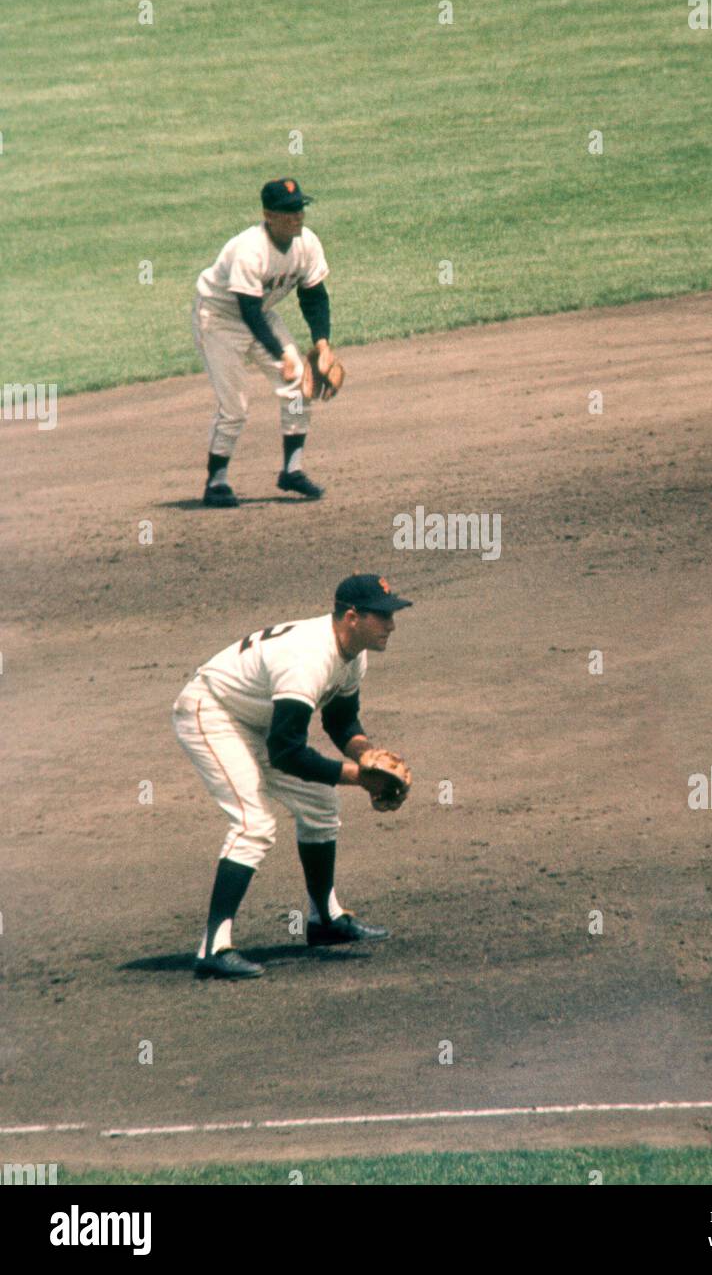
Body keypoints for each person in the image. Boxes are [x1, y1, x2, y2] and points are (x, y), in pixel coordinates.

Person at [172, 574, 413, 979]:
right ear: (352, 617)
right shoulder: (308, 658)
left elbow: (341, 719)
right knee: (254, 823)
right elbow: (286, 753)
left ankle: (325, 920)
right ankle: (212, 948)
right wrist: (359, 777)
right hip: (210, 712)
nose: (391, 625)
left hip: (256, 722)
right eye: (383, 616)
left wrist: (365, 754)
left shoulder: (353, 652)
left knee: (320, 803)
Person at [192, 178, 338, 507]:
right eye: (288, 211)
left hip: (261, 313)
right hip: (218, 320)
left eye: (300, 209)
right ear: (268, 215)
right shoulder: (248, 250)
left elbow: (314, 297)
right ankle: (215, 483)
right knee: (235, 407)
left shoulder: (308, 243)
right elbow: (248, 312)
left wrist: (322, 343)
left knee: (300, 384)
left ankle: (292, 470)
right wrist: (280, 353)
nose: (297, 216)